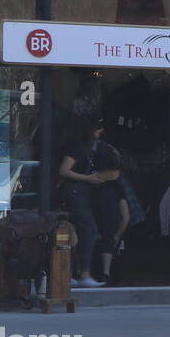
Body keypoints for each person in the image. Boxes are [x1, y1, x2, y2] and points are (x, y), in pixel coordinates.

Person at [58, 118, 108, 288]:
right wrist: (87, 178)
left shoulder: (88, 148)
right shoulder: (78, 147)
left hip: (80, 192)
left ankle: (71, 273)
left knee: (77, 233)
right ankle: (83, 274)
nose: (100, 134)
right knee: (89, 230)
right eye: (98, 130)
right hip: (74, 192)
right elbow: (64, 170)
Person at [90, 141, 129, 286]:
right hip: (109, 227)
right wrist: (117, 236)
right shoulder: (117, 185)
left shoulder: (90, 183)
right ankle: (106, 273)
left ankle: (90, 272)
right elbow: (125, 216)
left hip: (97, 227)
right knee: (107, 235)